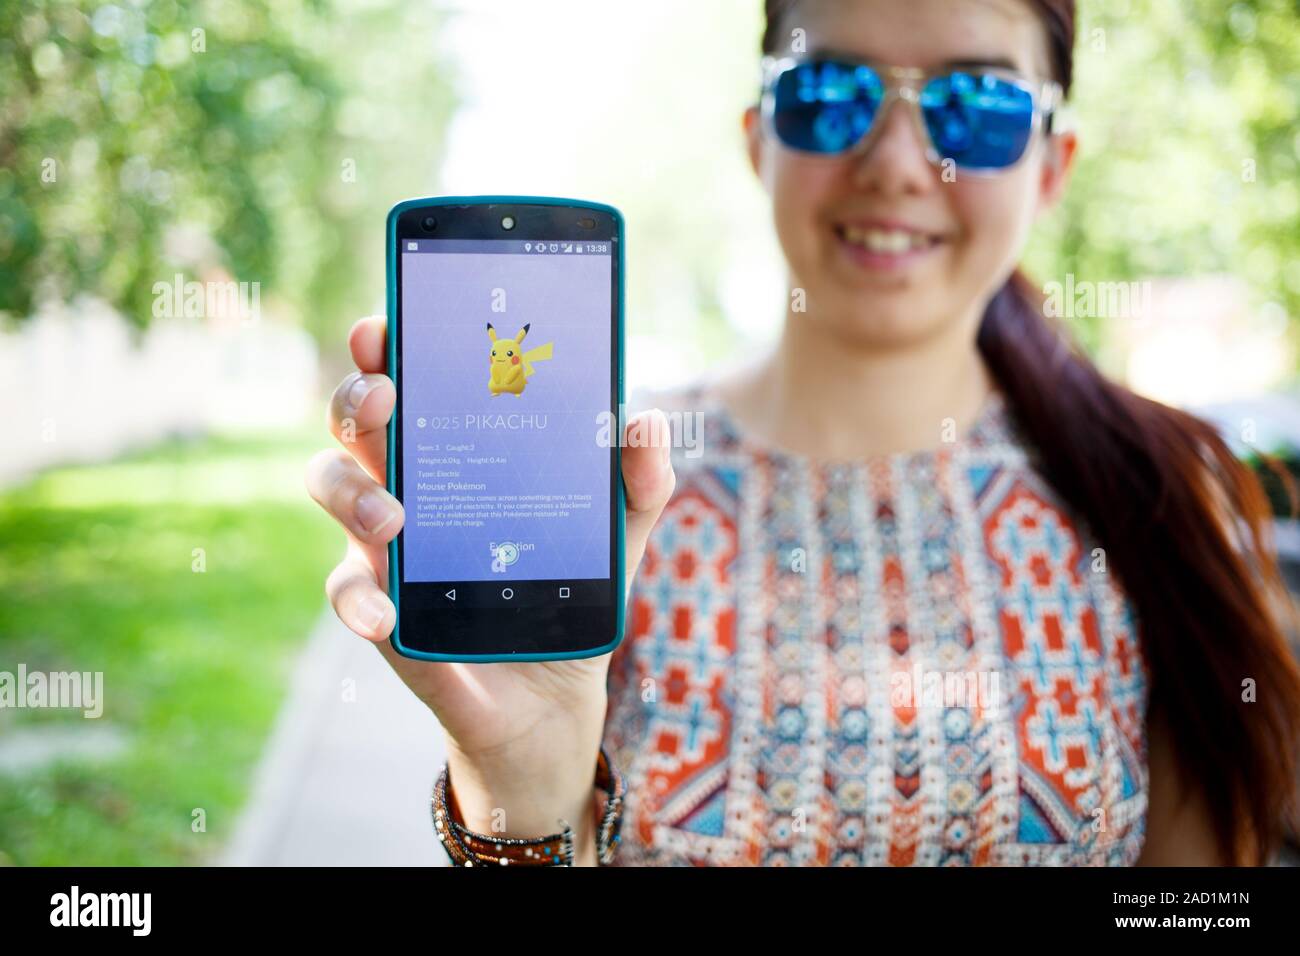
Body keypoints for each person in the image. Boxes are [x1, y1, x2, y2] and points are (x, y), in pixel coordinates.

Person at [305, 0, 1300, 866]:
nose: (900, 163)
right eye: (830, 92)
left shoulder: (1161, 495)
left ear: (1051, 164)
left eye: (977, 109)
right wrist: (516, 794)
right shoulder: (611, 491)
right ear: (757, 137)